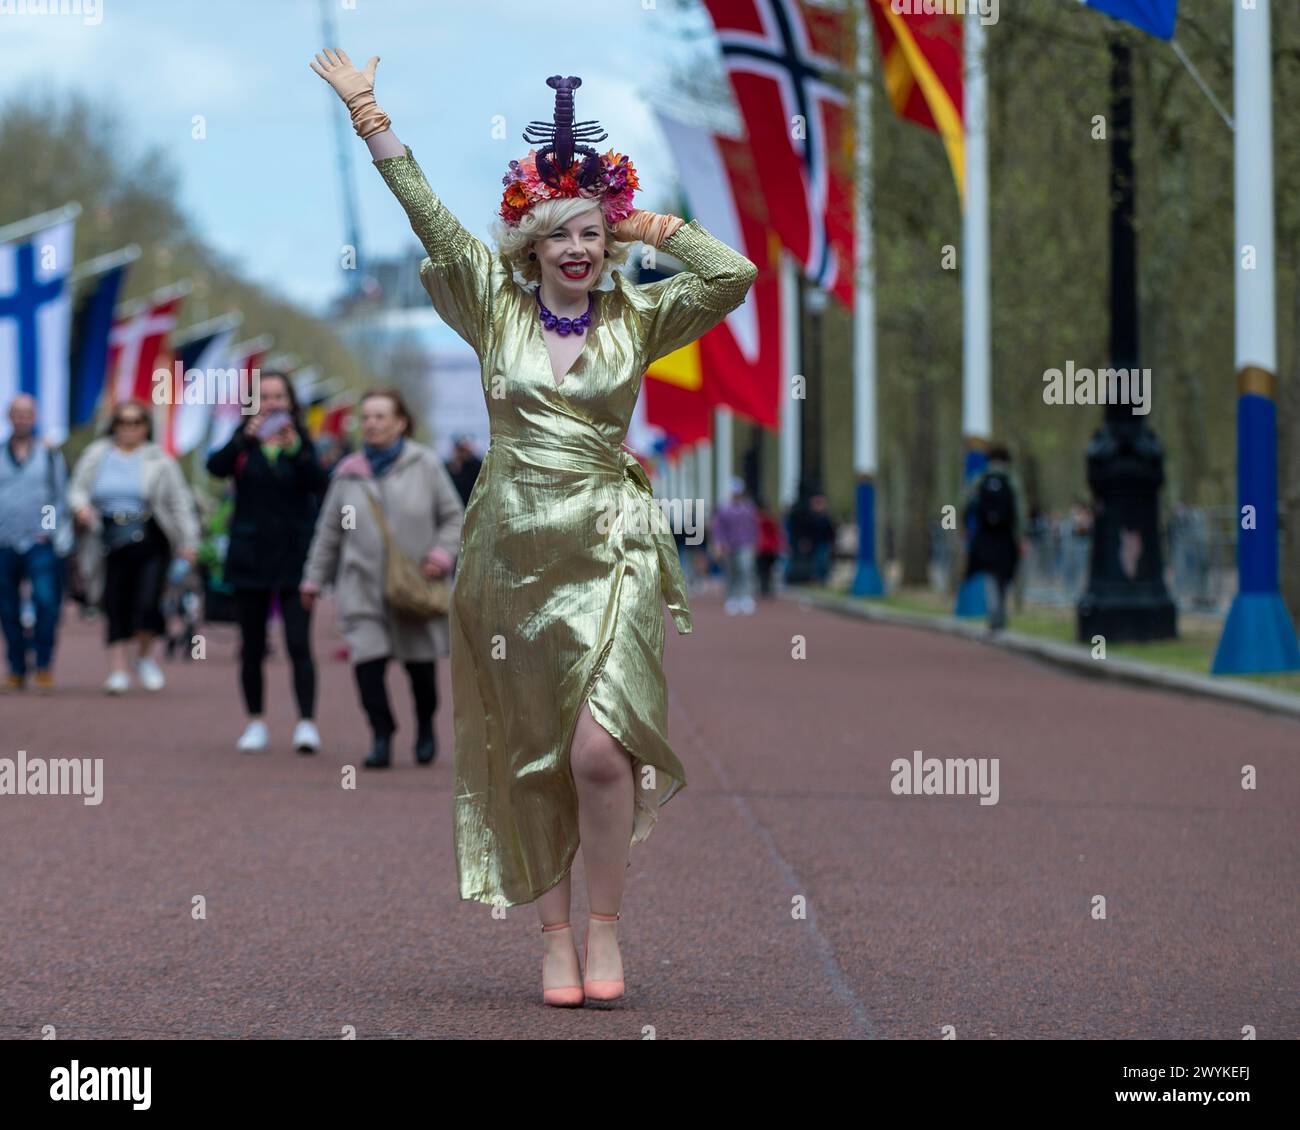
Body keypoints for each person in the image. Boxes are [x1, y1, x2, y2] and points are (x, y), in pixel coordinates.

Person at [311, 51, 756, 1006]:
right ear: (530, 244)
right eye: (560, 235)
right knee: (532, 753)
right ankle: (554, 941)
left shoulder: (639, 319)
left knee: (602, 751)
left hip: (611, 541)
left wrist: (652, 224)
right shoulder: (490, 304)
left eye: (594, 233)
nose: (579, 249)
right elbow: (424, 209)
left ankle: (606, 931)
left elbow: (734, 276)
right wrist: (367, 111)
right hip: (511, 547)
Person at [301, 388, 463, 769]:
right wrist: (312, 579)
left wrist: (441, 554)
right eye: (367, 417)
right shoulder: (347, 474)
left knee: (420, 672)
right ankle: (381, 733)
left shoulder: (426, 465)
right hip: (361, 588)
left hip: (415, 588)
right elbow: (329, 533)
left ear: (401, 423)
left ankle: (424, 727)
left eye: (380, 416)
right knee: (367, 665)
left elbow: (455, 517)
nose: (371, 424)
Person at [207, 371, 328, 754]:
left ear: (292, 403)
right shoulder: (243, 442)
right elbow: (216, 468)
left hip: (294, 557)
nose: (273, 403)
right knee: (252, 644)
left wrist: (296, 450)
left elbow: (322, 485)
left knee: (297, 642)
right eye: (266, 396)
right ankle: (255, 721)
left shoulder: (304, 443)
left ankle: (306, 724)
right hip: (250, 557)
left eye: (280, 396)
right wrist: (246, 437)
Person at [68, 400, 199, 693]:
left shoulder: (160, 460)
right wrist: (80, 508)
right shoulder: (96, 455)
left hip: (150, 538)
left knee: (147, 601)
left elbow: (180, 503)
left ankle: (144, 657)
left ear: (146, 426)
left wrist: (189, 543)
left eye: (136, 422)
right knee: (114, 602)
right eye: (123, 422)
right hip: (107, 538)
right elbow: (76, 489)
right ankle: (117, 670)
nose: (129, 428)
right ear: (114, 425)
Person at [0, 394, 73, 691]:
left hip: (39, 542)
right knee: (7, 608)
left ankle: (43, 665)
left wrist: (48, 530)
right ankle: (16, 667)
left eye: (27, 414)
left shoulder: (50, 456)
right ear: (9, 417)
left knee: (46, 601)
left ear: (35, 418)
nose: (22, 419)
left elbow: (57, 496)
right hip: (4, 541)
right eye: (16, 413)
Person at [961, 443, 1025, 632]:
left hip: (985, 534)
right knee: (1004, 575)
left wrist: (963, 525)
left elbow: (965, 501)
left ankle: (994, 612)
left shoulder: (980, 479)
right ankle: (1001, 612)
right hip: (1006, 535)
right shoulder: (1012, 481)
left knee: (989, 573)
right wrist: (1021, 535)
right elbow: (1020, 510)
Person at [710, 475, 759, 615]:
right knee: (731, 571)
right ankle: (731, 597)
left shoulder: (749, 508)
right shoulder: (724, 509)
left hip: (745, 544)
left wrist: (755, 543)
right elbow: (717, 528)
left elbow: (754, 527)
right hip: (728, 545)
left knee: (745, 569)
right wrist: (718, 544)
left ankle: (746, 596)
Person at [754, 499, 787, 598]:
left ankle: (765, 588)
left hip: (765, 548)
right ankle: (766, 588)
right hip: (768, 548)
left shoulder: (759, 520)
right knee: (767, 570)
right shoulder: (772, 519)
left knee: (764, 570)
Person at [444, 434, 482, 508]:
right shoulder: (448, 467)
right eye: (461, 450)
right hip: (455, 507)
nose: (463, 453)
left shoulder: (474, 466)